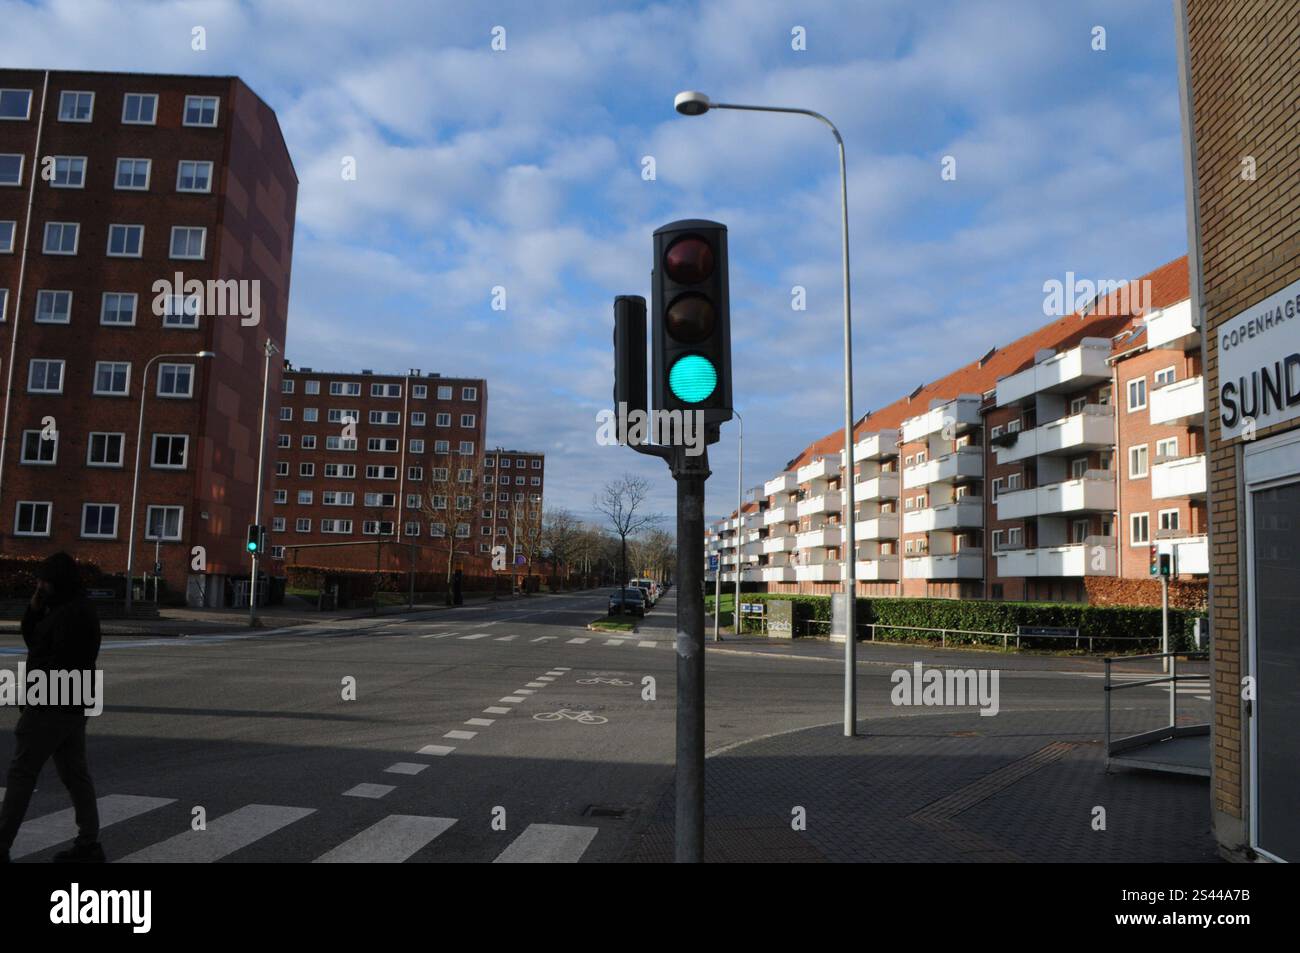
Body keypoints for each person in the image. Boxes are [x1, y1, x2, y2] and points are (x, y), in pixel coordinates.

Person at [0, 552, 104, 863]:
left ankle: (2, 843)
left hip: (51, 706)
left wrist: (33, 700)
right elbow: (37, 640)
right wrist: (34, 612)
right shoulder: (74, 608)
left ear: (55, 582)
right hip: (74, 704)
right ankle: (88, 844)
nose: (39, 586)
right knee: (75, 773)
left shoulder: (67, 615)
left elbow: (47, 655)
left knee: (22, 773)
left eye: (43, 581)